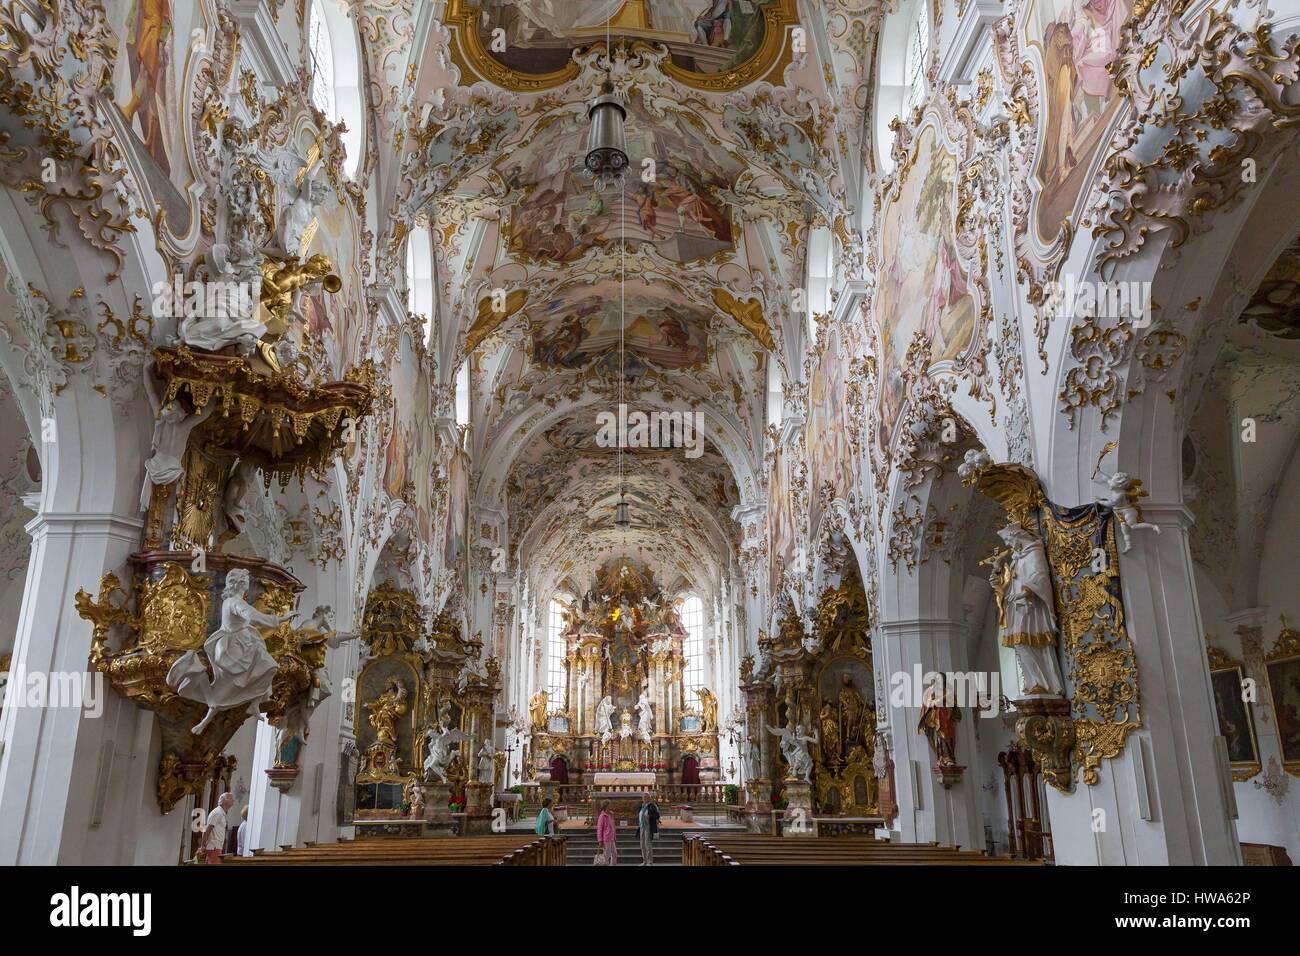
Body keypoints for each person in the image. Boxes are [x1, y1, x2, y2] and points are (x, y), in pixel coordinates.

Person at [200, 792, 234, 864]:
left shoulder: (221, 812)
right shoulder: (218, 812)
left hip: (216, 847)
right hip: (214, 847)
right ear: (224, 801)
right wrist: (202, 845)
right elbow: (208, 829)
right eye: (230, 798)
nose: (233, 800)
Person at [637, 796, 661, 866]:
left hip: (648, 827)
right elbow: (639, 815)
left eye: (646, 797)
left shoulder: (652, 806)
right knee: (642, 845)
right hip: (642, 827)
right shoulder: (641, 806)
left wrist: (650, 816)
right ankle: (644, 861)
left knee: (648, 844)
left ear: (649, 798)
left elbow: (657, 815)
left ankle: (649, 862)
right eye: (643, 798)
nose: (644, 799)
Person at [595, 800, 618, 866]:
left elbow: (613, 827)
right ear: (606, 806)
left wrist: (614, 836)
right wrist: (600, 840)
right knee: (606, 856)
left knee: (614, 854)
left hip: (612, 838)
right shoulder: (602, 816)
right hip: (606, 838)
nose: (611, 806)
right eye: (609, 805)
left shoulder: (611, 815)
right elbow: (599, 829)